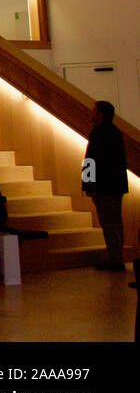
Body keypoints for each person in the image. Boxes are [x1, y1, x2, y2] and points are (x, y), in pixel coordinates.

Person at [83, 100, 128, 271]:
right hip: (115, 185)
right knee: (115, 222)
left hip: (104, 187)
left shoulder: (99, 133)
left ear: (100, 114)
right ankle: (117, 256)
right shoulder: (114, 132)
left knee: (108, 223)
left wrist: (88, 183)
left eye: (94, 110)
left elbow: (91, 159)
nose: (91, 112)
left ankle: (115, 258)